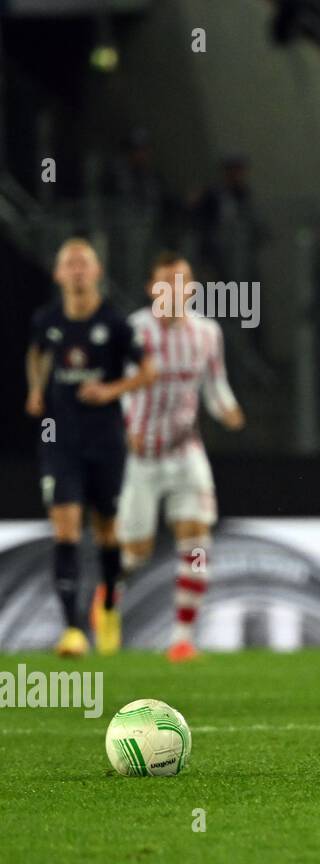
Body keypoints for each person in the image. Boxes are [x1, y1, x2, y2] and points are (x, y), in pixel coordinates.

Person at [25, 238, 157, 657]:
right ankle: (72, 630)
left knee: (107, 532)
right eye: (70, 264)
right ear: (59, 274)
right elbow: (37, 354)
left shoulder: (115, 324)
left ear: (97, 272)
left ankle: (110, 610)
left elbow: (149, 371)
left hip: (106, 441)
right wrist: (35, 390)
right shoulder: (46, 319)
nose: (78, 270)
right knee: (64, 527)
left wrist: (110, 390)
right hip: (61, 440)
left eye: (85, 263)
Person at [118, 252, 246, 662]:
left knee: (195, 542)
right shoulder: (134, 332)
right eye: (165, 283)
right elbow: (117, 385)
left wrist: (227, 408)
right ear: (151, 289)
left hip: (186, 451)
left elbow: (214, 386)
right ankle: (109, 588)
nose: (175, 291)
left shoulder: (207, 333)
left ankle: (182, 639)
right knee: (133, 555)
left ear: (191, 289)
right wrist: (127, 427)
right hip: (143, 457)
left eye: (182, 282)